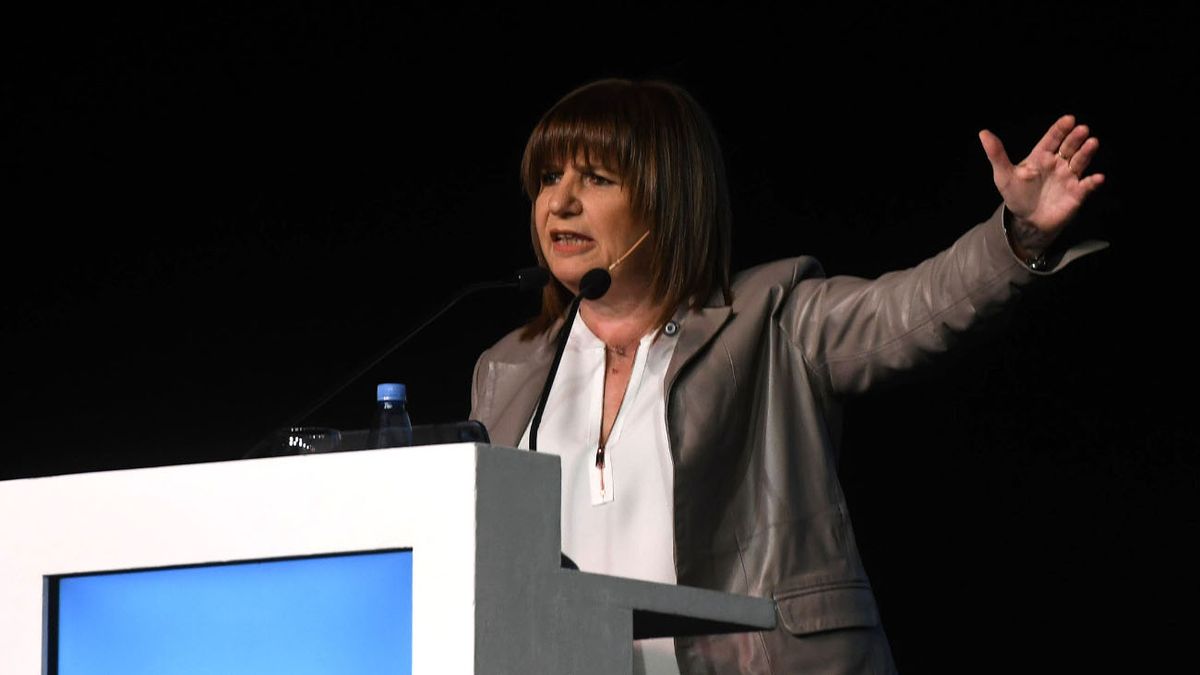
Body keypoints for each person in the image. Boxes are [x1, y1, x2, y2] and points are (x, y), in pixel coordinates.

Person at [469, 79, 1105, 674]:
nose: (561, 201)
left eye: (597, 177)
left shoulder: (774, 319)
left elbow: (912, 310)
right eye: (550, 177)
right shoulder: (508, 370)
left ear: (668, 197)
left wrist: (1016, 237)